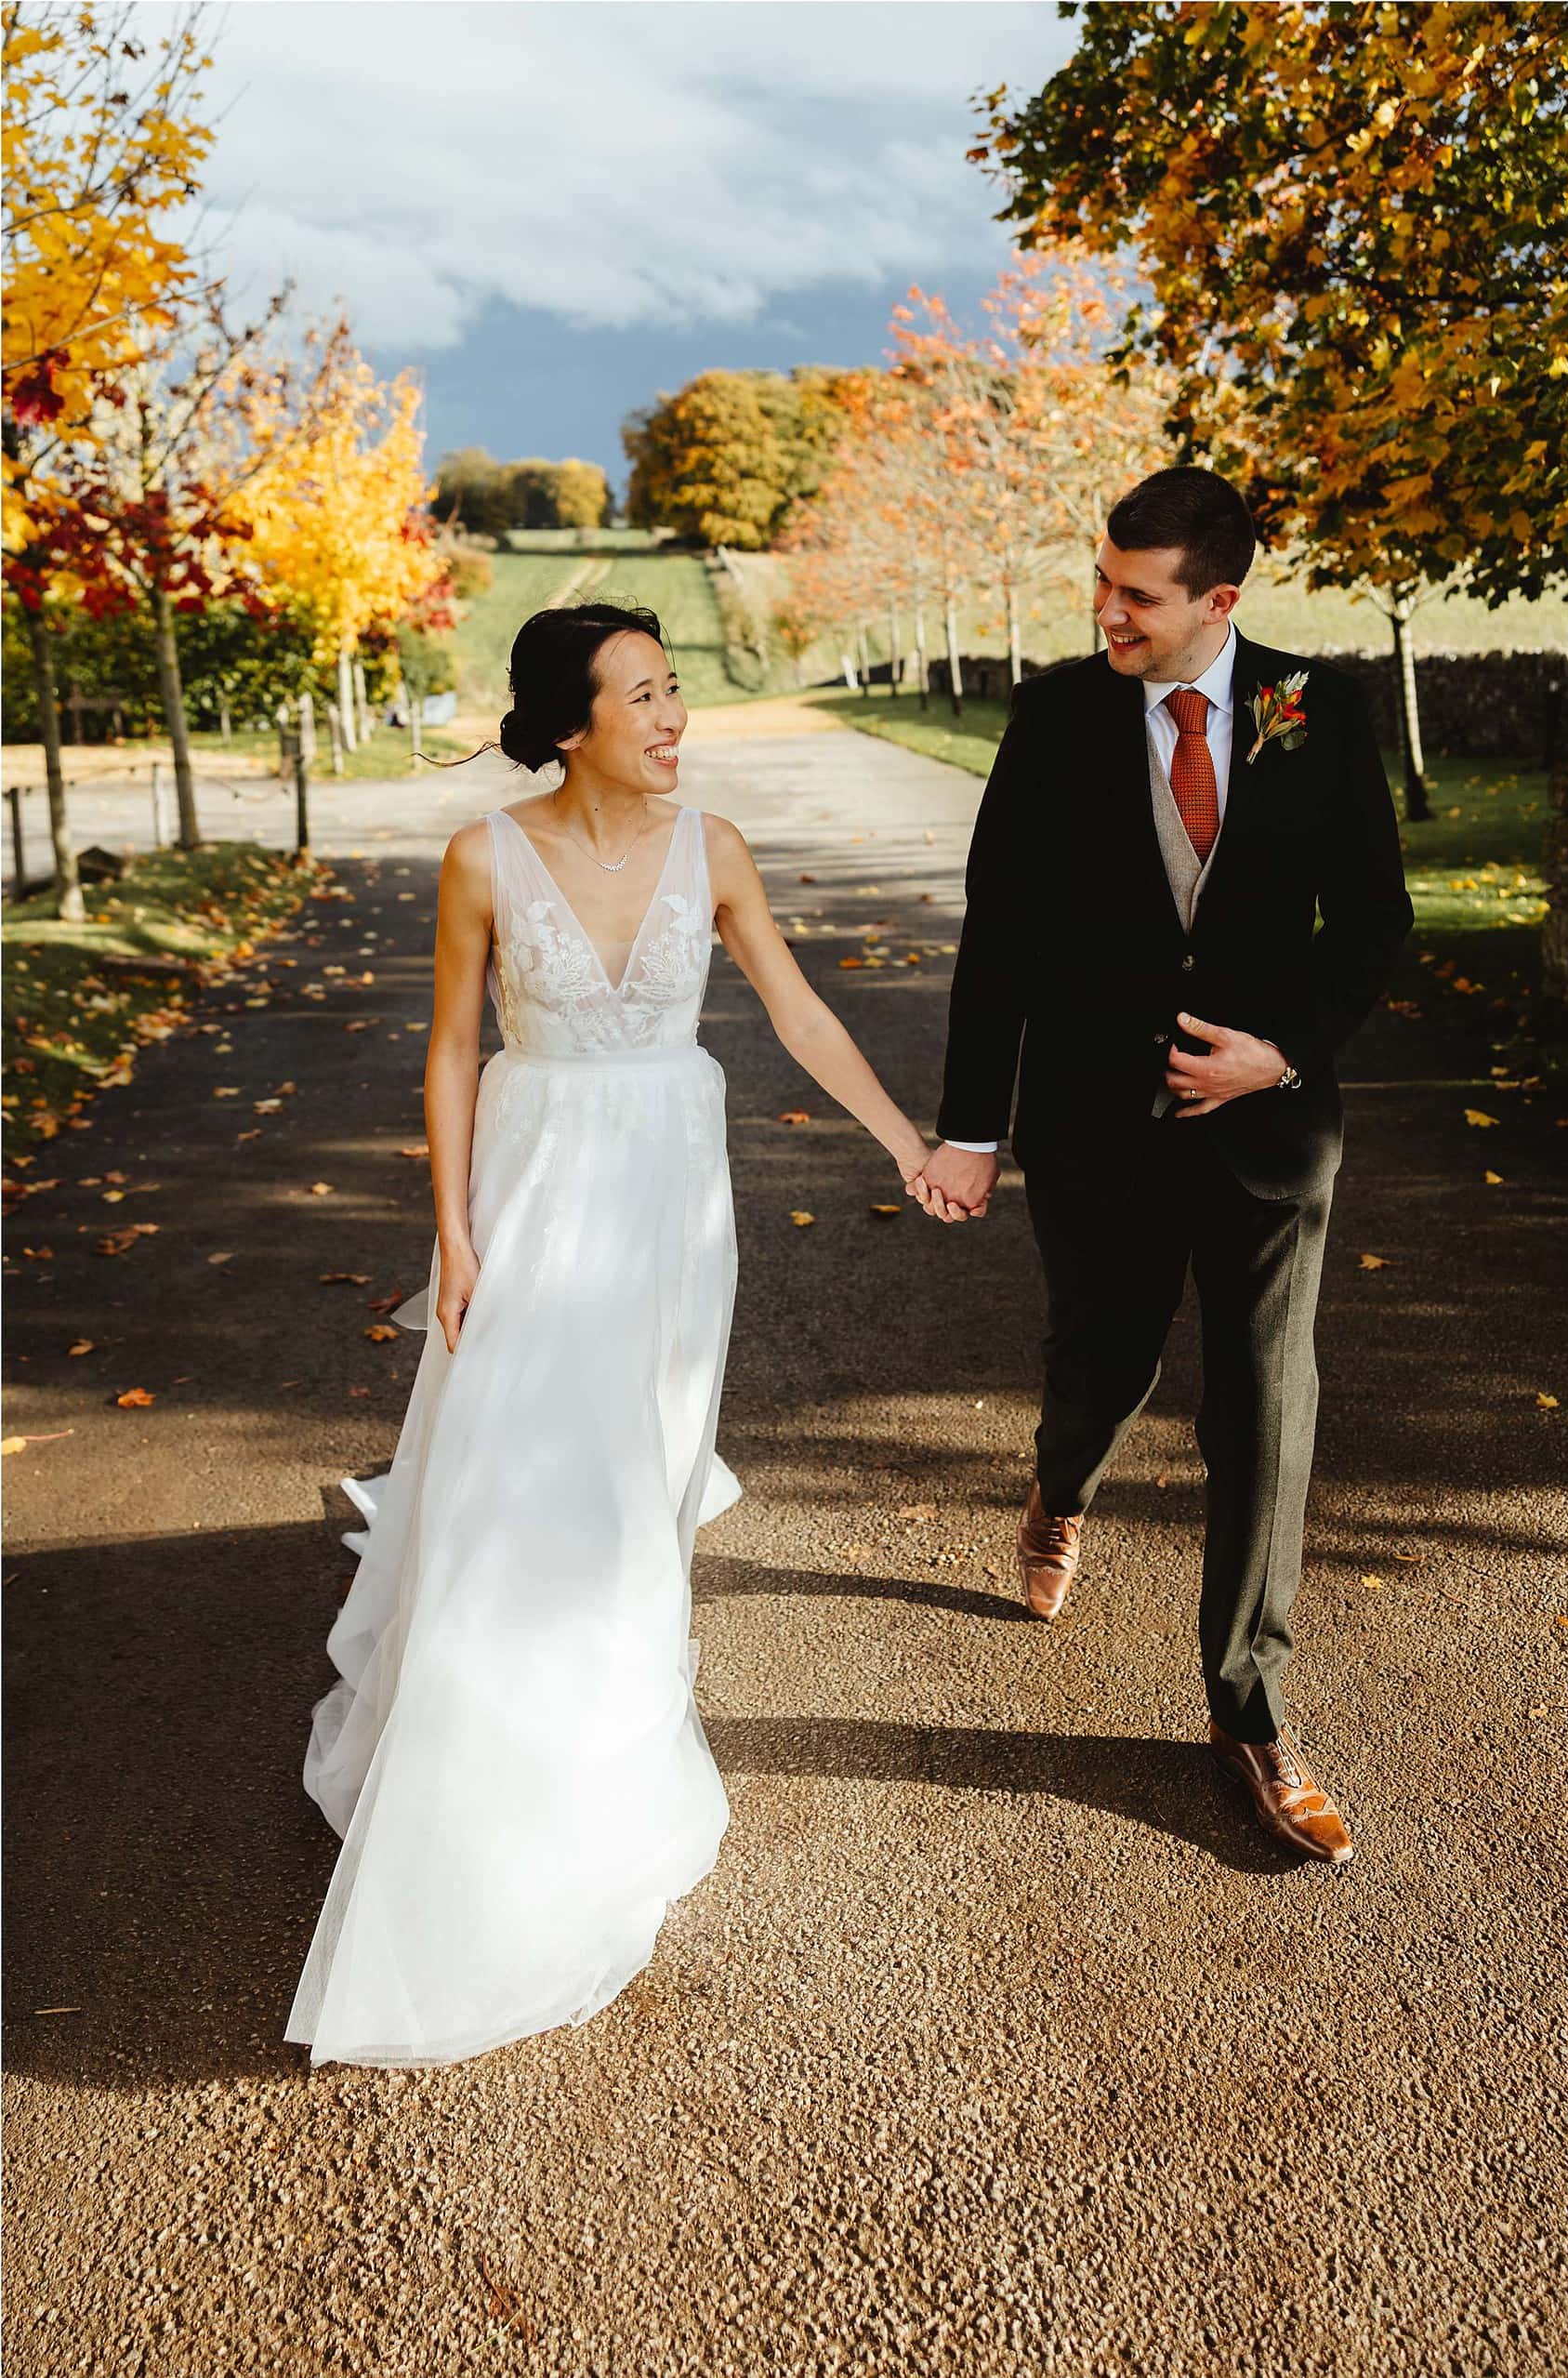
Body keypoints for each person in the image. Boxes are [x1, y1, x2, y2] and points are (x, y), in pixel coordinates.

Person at [285, 601, 934, 2068]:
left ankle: (609, 1747)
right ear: (568, 724)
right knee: (517, 1483)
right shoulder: (480, 858)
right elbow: (453, 1047)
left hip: (669, 1210)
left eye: (675, 686)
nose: (672, 716)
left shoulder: (713, 850)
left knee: (634, 1487)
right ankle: (482, 1809)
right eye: (641, 694)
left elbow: (801, 1013)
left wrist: (907, 1142)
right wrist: (452, 1232)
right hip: (531, 1191)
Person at [912, 468, 1415, 1866]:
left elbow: (1375, 917)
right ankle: (1061, 1485)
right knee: (1103, 1367)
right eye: (1103, 584)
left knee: (1265, 1405)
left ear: (1220, 603)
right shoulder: (1055, 714)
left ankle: (1248, 1707)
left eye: (1140, 596)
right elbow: (998, 934)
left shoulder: (1319, 708)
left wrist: (1284, 1054)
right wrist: (969, 1125)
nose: (1108, 613)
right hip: (1092, 1129)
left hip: (1268, 1138)